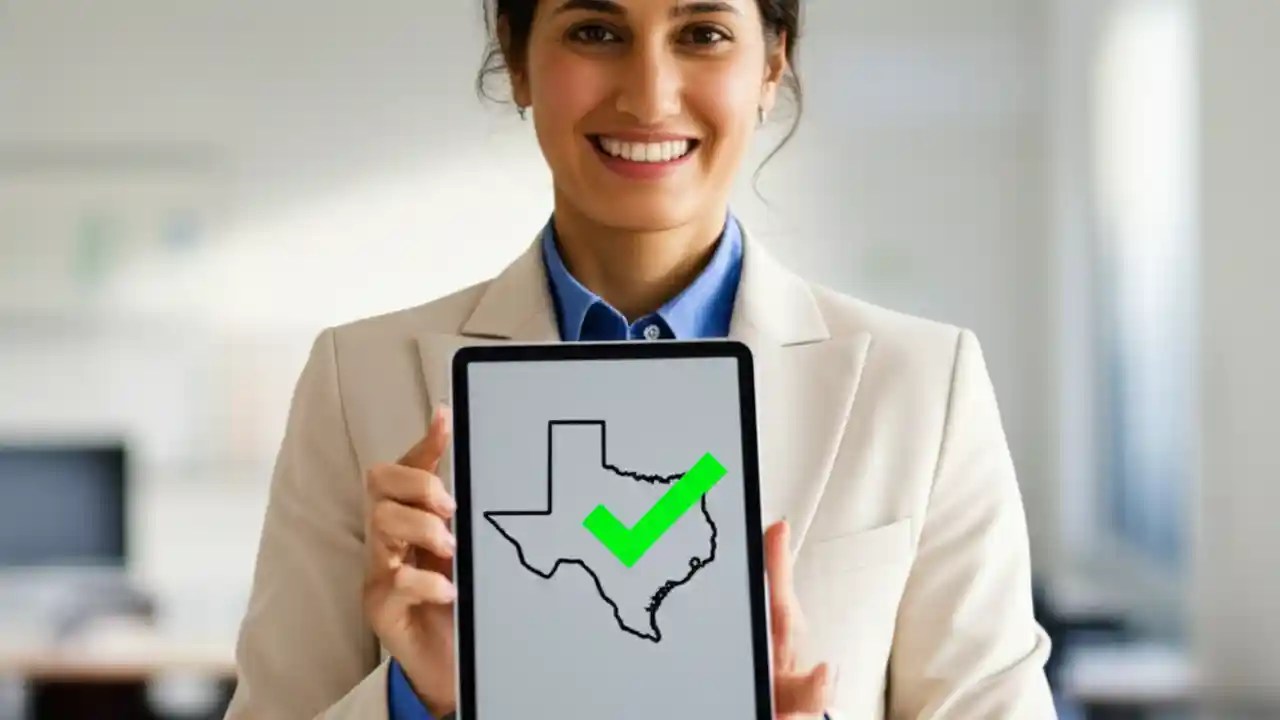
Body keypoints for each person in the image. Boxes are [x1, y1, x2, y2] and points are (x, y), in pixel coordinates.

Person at [225, 0, 1055, 717]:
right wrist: (419, 699)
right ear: (517, 62)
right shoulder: (356, 379)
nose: (650, 96)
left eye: (701, 33)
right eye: (594, 30)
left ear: (772, 66)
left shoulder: (921, 383)